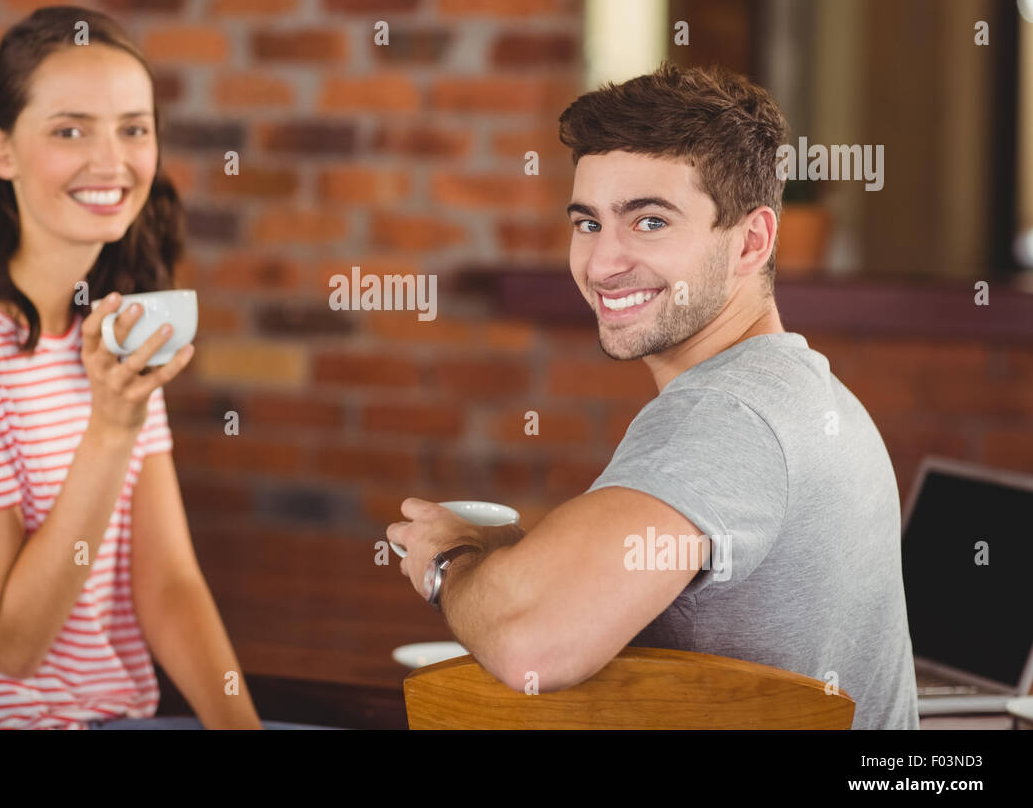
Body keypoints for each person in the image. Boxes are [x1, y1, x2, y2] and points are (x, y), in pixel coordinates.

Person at [388, 62, 920, 729]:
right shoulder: (805, 392)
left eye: (649, 223)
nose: (603, 262)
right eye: (587, 223)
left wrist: (450, 562)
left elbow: (532, 645)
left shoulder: (729, 415)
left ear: (751, 241)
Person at [0, 6, 262, 729]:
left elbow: (167, 582)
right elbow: (10, 641)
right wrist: (111, 429)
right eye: (70, 129)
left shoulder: (114, 324)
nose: (111, 160)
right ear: (1, 150)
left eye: (133, 128)